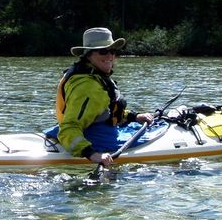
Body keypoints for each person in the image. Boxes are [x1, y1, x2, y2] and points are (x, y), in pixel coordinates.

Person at [55, 27, 153, 166]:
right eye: (103, 51)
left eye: (112, 51)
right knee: (153, 132)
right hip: (92, 140)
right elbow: (69, 127)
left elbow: (105, 112)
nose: (109, 56)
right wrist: (92, 154)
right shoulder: (87, 86)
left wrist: (133, 116)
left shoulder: (96, 76)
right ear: (88, 55)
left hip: (99, 131)